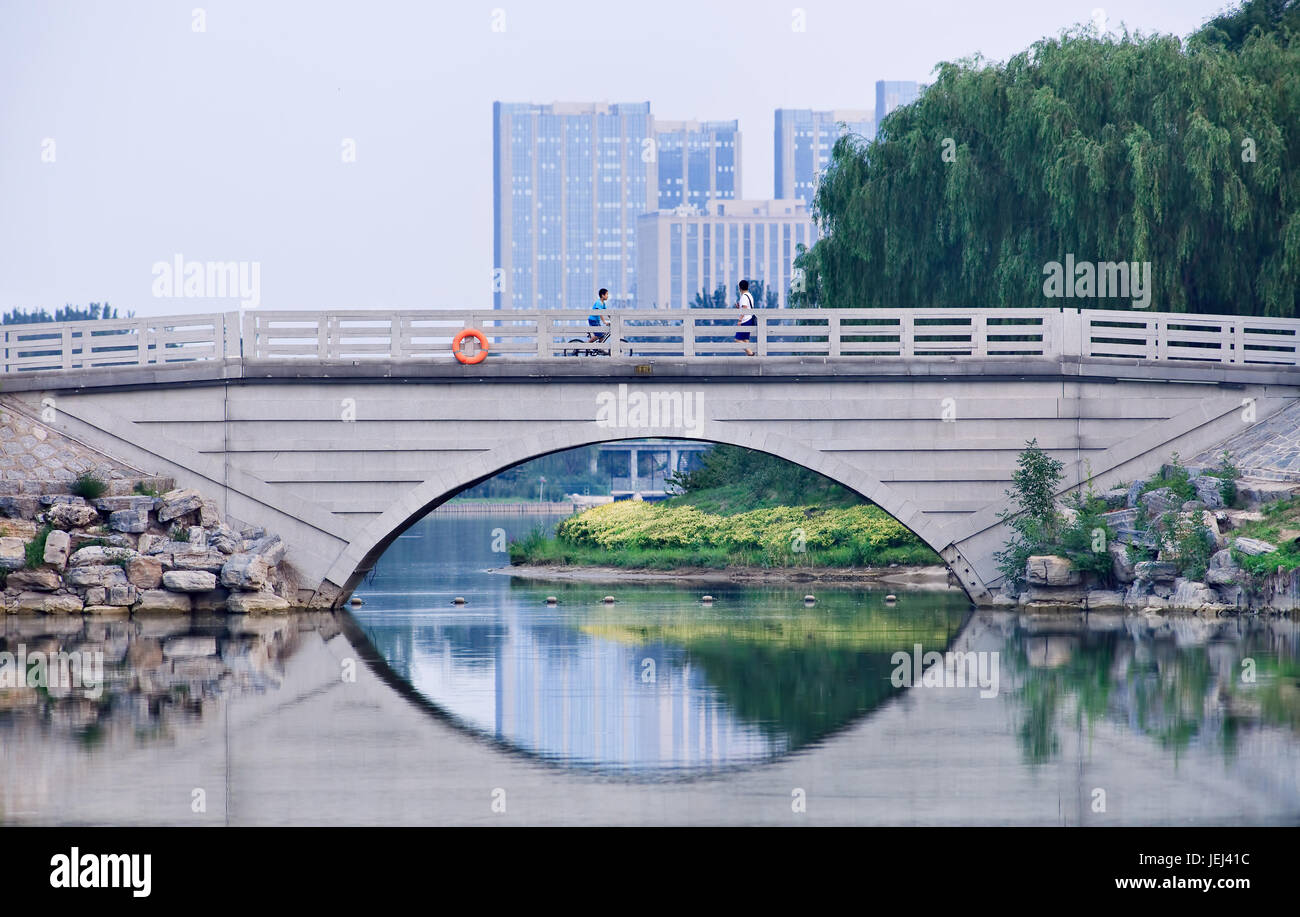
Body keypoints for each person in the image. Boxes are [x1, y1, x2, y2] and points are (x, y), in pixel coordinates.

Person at [734, 280, 756, 356]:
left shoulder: (743, 296)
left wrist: (740, 320)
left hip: (745, 320)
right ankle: (750, 358)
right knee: (745, 340)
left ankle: (751, 354)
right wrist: (739, 307)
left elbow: (745, 308)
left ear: (739, 288)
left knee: (737, 340)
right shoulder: (750, 295)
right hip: (750, 319)